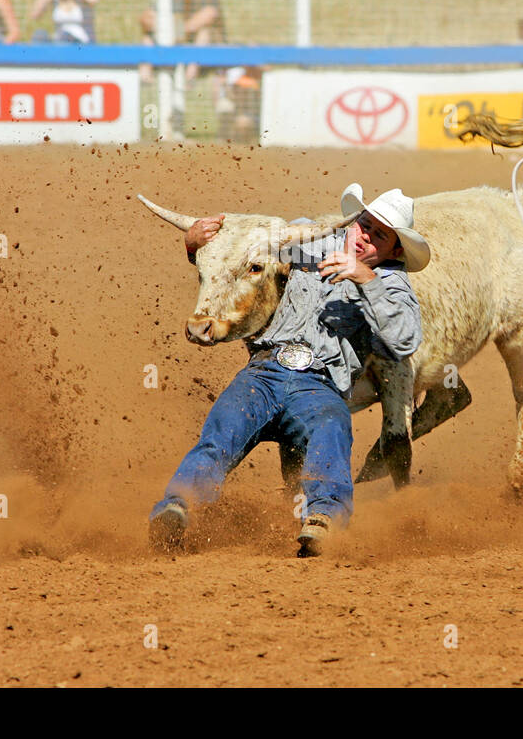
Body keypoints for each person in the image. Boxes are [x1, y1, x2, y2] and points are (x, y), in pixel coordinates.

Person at [148, 183, 428, 557]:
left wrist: (365, 278)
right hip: (264, 371)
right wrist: (195, 245)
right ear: (354, 221)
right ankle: (177, 506)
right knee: (222, 429)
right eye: (364, 225)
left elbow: (405, 340)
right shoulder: (307, 242)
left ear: (395, 250)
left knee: (332, 428)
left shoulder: (392, 284)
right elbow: (239, 259)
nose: (364, 238)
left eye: (379, 236)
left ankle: (323, 521)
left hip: (320, 385)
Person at [138, 0, 224, 85]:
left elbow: (206, 17)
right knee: (147, 39)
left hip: (200, 47)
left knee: (203, 33)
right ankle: (144, 78)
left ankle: (188, 78)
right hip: (173, 41)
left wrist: (170, 30)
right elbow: (146, 19)